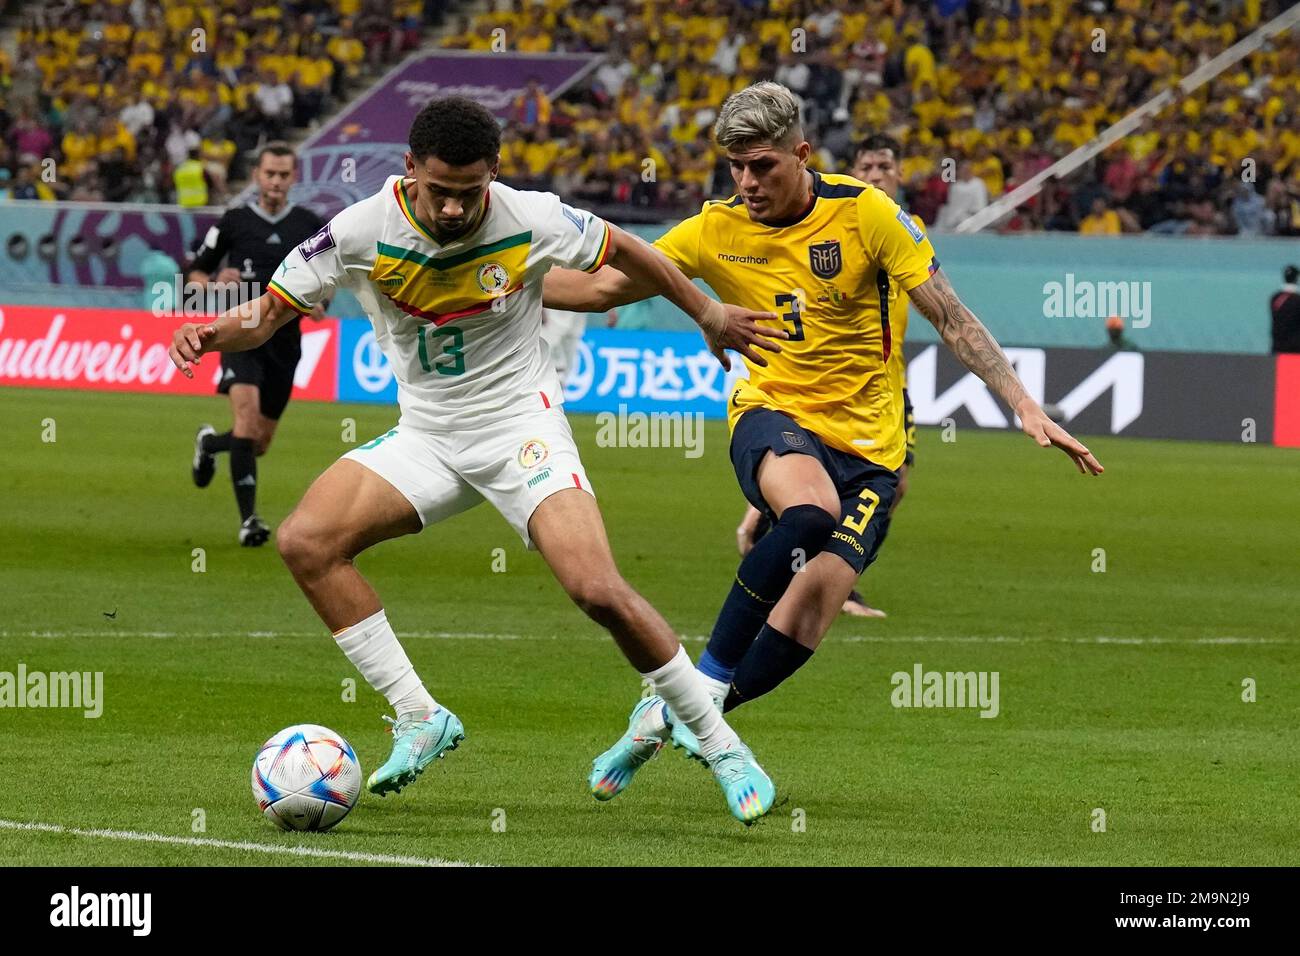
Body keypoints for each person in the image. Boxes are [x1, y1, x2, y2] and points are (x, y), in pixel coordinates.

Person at [168, 96, 787, 825]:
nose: (457, 210)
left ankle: (722, 745)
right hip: (427, 436)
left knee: (596, 589)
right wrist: (211, 332)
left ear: (494, 174)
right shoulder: (360, 229)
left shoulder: (531, 215)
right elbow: (269, 312)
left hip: (522, 430)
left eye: (471, 193)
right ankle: (419, 714)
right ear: (408, 172)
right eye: (441, 193)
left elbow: (629, 252)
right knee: (308, 541)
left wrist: (709, 313)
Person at [544, 82, 1102, 789]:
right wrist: (489, 284)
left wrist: (1022, 402)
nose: (746, 183)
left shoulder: (867, 215)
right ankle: (704, 689)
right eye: (736, 167)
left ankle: (668, 715)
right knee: (810, 515)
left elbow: (951, 315)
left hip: (872, 448)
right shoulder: (714, 230)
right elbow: (596, 289)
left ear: (802, 154)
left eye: (763, 167)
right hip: (772, 413)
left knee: (815, 606)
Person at [733, 132, 918, 619]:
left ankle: (827, 574)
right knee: (828, 489)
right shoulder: (835, 223)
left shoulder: (903, 228)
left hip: (888, 385)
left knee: (893, 486)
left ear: (901, 175)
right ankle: (791, 553)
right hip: (820, 386)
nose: (877, 175)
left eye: (885, 167)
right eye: (868, 167)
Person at [184, 143, 326, 546]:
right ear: (256, 177)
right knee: (246, 423)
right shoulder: (233, 221)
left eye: (284, 175)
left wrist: (321, 301)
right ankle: (250, 521)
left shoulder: (309, 225)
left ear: (293, 177)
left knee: (258, 442)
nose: (276, 182)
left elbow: (331, 276)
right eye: (270, 174)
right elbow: (193, 274)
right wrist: (212, 285)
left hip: (285, 341)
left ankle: (210, 443)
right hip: (242, 333)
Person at [1272, 264, 1300, 354]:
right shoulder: (1297, 300)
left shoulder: (1275, 298)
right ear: (1296, 278)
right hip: (1295, 349)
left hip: (1278, 348)